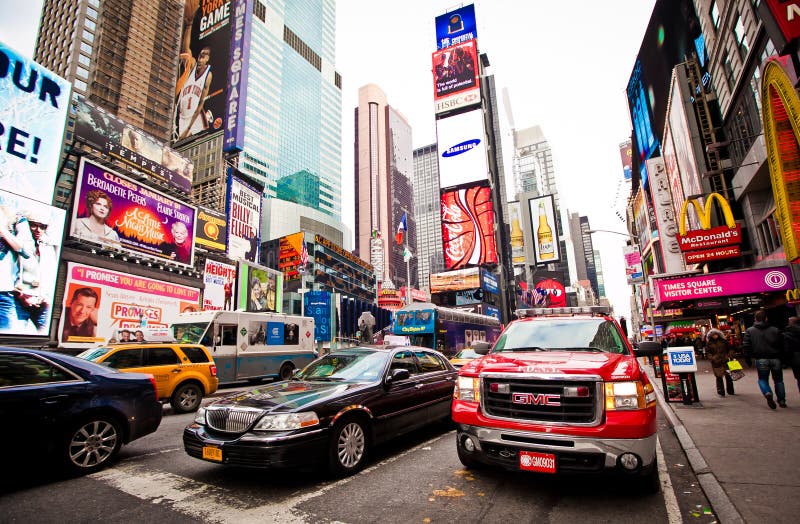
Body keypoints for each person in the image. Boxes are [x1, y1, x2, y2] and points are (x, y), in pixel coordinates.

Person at [15, 210, 57, 333]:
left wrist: (46, 298)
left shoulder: (48, 247)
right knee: (13, 337)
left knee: (43, 337)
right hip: (19, 300)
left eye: (42, 227)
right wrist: (21, 295)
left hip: (42, 303)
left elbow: (50, 275)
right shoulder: (17, 243)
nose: (38, 230)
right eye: (34, 225)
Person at [742, 309, 786, 409]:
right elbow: (782, 345)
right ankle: (782, 400)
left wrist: (747, 358)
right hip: (775, 358)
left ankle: (767, 392)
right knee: (779, 380)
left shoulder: (750, 331)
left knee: (762, 379)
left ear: (755, 319)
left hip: (760, 359)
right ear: (766, 318)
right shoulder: (775, 330)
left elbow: (746, 346)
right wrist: (783, 359)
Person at [0, 206, 33, 331]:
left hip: (3, 292)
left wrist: (3, 230)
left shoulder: (16, 219)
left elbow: (26, 251)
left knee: (5, 339)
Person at [176, 46, 212, 140]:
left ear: (207, 59)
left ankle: (206, 117)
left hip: (193, 116)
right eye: (200, 56)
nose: (200, 59)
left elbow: (201, 104)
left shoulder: (207, 75)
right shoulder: (192, 65)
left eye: (203, 57)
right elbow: (186, 48)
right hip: (181, 113)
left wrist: (188, 129)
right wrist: (188, 30)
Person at [705, 328, 735, 396]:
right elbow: (708, 352)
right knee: (718, 376)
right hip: (716, 362)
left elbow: (730, 349)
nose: (715, 336)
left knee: (728, 375)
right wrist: (712, 358)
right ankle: (720, 391)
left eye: (716, 334)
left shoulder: (724, 341)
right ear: (710, 336)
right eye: (713, 335)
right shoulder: (709, 344)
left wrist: (729, 356)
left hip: (725, 360)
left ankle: (730, 390)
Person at [782, 316, 800, 394]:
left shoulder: (786, 334)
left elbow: (786, 349)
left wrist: (785, 362)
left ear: (791, 323)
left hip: (796, 359)